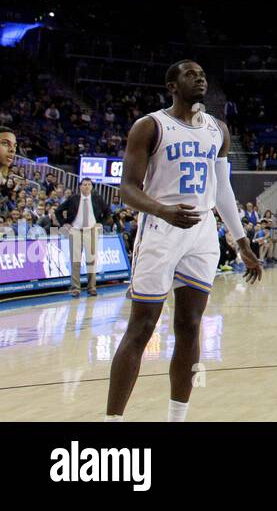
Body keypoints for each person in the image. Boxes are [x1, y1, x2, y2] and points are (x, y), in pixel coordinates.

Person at [106, 60, 262, 421]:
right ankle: (112, 419)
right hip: (162, 230)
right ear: (172, 85)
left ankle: (177, 417)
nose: (201, 78)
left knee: (191, 324)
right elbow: (128, 189)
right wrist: (162, 211)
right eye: (191, 74)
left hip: (203, 230)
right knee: (142, 326)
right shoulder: (150, 126)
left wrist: (241, 242)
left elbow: (223, 190)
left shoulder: (217, 129)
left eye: (204, 74)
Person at [56, 178, 111, 297]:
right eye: (84, 184)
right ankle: (75, 288)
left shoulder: (97, 198)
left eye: (89, 184)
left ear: (92, 187)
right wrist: (64, 223)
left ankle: (91, 287)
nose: (86, 186)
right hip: (75, 230)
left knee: (91, 260)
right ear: (80, 187)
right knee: (75, 261)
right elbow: (58, 211)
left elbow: (108, 212)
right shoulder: (73, 199)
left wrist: (101, 222)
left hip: (91, 231)